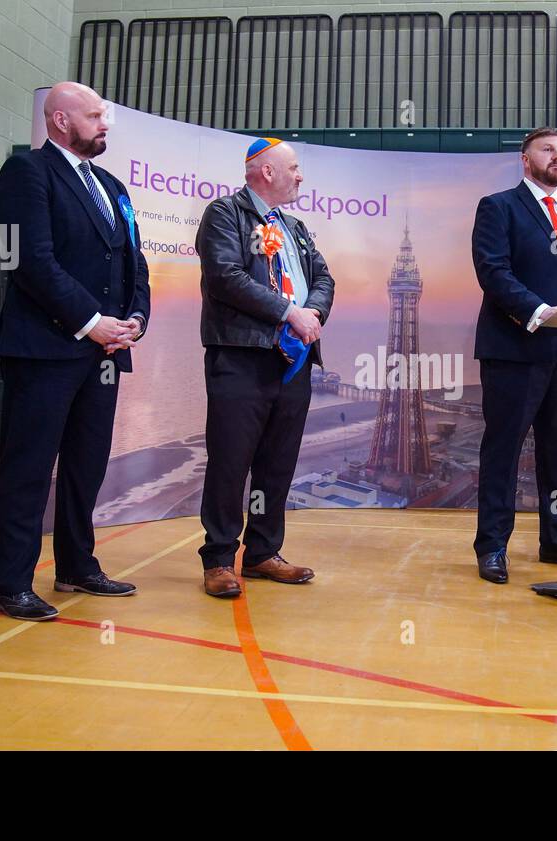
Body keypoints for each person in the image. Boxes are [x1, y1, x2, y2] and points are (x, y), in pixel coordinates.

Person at [0, 82, 151, 620]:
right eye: (96, 115)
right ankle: (12, 583)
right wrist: (90, 322)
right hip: (45, 350)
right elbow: (30, 261)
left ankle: (78, 566)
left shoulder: (111, 185)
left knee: (86, 466)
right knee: (28, 468)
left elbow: (134, 263)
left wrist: (134, 320)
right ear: (59, 120)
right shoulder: (27, 173)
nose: (106, 124)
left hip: (103, 354)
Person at [194, 137, 335, 598]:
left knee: (277, 463)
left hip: (293, 362)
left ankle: (261, 553)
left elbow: (324, 279)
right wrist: (287, 312)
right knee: (230, 463)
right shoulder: (224, 214)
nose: (300, 176)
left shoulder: (294, 227)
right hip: (241, 358)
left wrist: (310, 312)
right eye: (293, 167)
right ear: (266, 172)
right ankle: (218, 559)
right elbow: (226, 276)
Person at [471, 127, 557, 584]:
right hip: (514, 348)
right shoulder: (499, 207)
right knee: (503, 450)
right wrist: (539, 311)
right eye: (548, 149)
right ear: (526, 160)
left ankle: (556, 537)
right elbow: (492, 270)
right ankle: (493, 545)